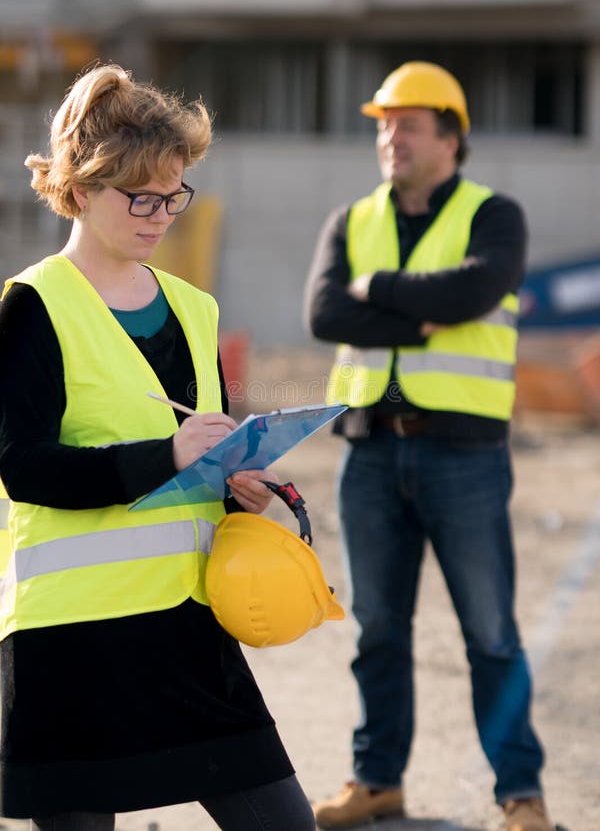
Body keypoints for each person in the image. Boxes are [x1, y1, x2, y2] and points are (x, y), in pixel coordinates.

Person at [0, 63, 316, 831]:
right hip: (71, 640)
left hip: (186, 624)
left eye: (174, 194)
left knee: (284, 823)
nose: (161, 214)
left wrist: (233, 478)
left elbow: (195, 448)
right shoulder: (32, 305)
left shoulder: (194, 308)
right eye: (141, 196)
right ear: (79, 191)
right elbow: (22, 470)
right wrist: (165, 458)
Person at [304, 61, 553, 831]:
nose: (390, 137)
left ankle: (521, 794)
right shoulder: (350, 219)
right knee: (377, 629)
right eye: (383, 124)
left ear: (451, 137)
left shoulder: (495, 215)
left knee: (489, 632)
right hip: (369, 453)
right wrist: (417, 313)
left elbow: (471, 293)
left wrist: (372, 289)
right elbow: (321, 315)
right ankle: (377, 780)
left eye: (407, 123)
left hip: (465, 457)